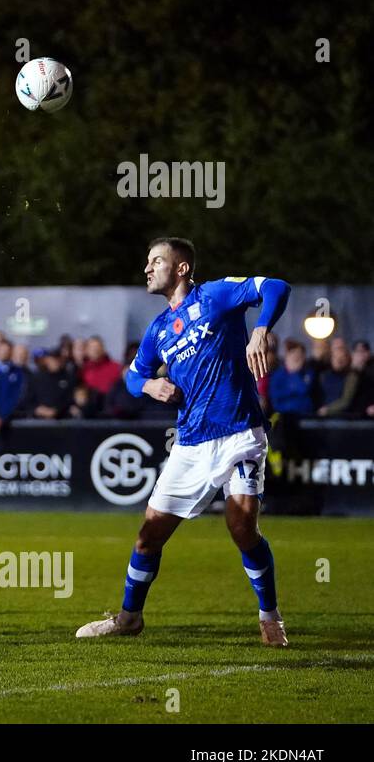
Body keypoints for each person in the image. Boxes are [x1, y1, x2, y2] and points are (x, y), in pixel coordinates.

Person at [76, 238, 292, 646]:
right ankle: (128, 618)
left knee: (242, 527)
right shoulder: (158, 330)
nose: (147, 267)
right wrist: (150, 385)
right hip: (191, 442)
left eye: (156, 260)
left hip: (239, 432)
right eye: (146, 260)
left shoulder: (215, 294)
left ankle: (270, 615)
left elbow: (276, 286)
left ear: (181, 269)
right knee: (148, 535)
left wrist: (261, 327)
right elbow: (131, 375)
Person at [267, 341, 319, 416]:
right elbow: (276, 397)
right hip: (283, 416)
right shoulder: (277, 375)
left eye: (299, 356)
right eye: (293, 355)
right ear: (287, 356)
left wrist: (295, 373)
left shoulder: (309, 373)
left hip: (305, 416)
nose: (296, 358)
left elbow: (304, 390)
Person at [27, 347, 73, 419]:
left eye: (57, 359)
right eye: (52, 359)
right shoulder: (36, 377)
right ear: (47, 360)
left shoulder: (68, 377)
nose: (55, 362)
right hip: (38, 420)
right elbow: (28, 399)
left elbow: (69, 399)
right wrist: (37, 409)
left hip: (62, 420)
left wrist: (56, 410)